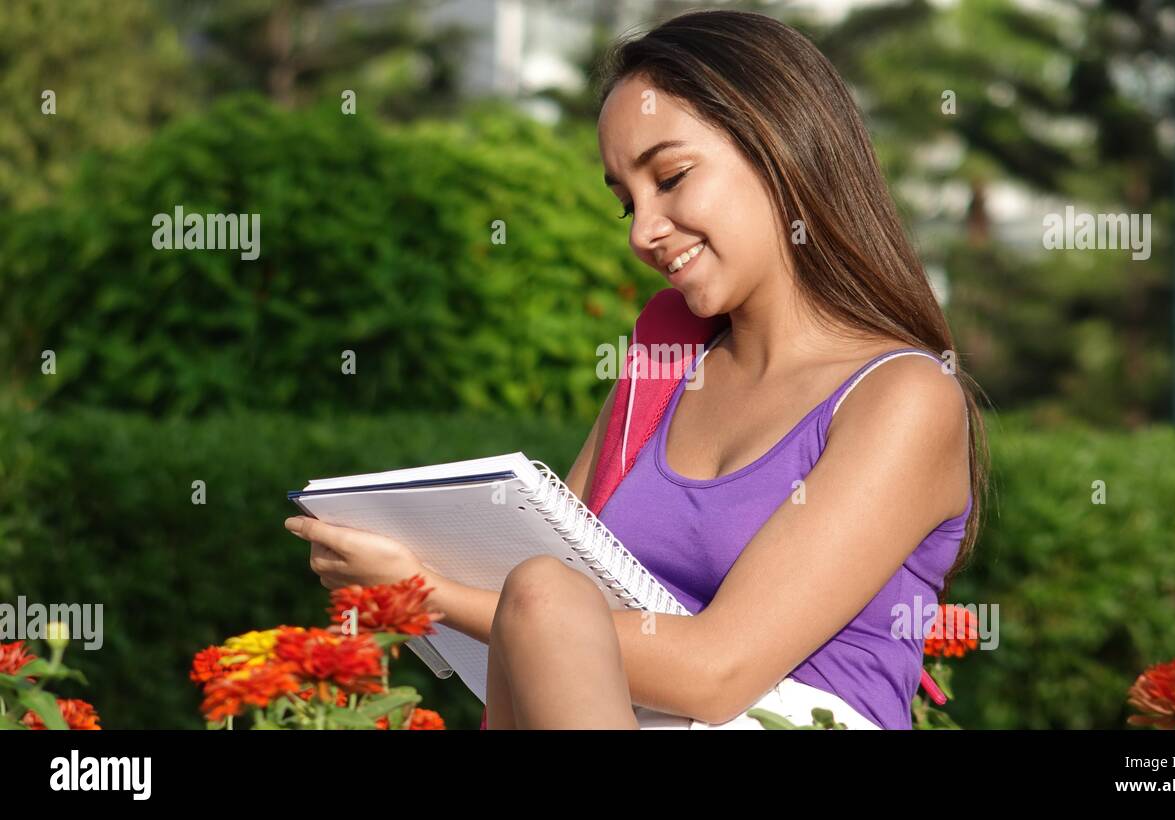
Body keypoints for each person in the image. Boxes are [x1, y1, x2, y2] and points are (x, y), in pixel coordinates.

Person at [286, 9, 988, 730]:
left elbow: (714, 671)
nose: (642, 232)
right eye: (626, 201)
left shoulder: (903, 397)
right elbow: (559, 586)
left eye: (672, 177)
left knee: (542, 594)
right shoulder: (667, 357)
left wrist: (421, 592)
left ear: (780, 145)